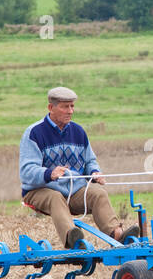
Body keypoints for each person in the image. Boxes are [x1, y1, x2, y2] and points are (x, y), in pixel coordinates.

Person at [20, 86, 138, 249]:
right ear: (51, 108)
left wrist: (94, 172)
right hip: (39, 190)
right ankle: (74, 241)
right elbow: (26, 172)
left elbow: (90, 161)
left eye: (72, 106)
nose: (70, 111)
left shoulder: (78, 132)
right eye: (65, 107)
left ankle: (118, 236)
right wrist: (49, 173)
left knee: (99, 194)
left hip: (73, 191)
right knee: (55, 197)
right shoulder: (34, 133)